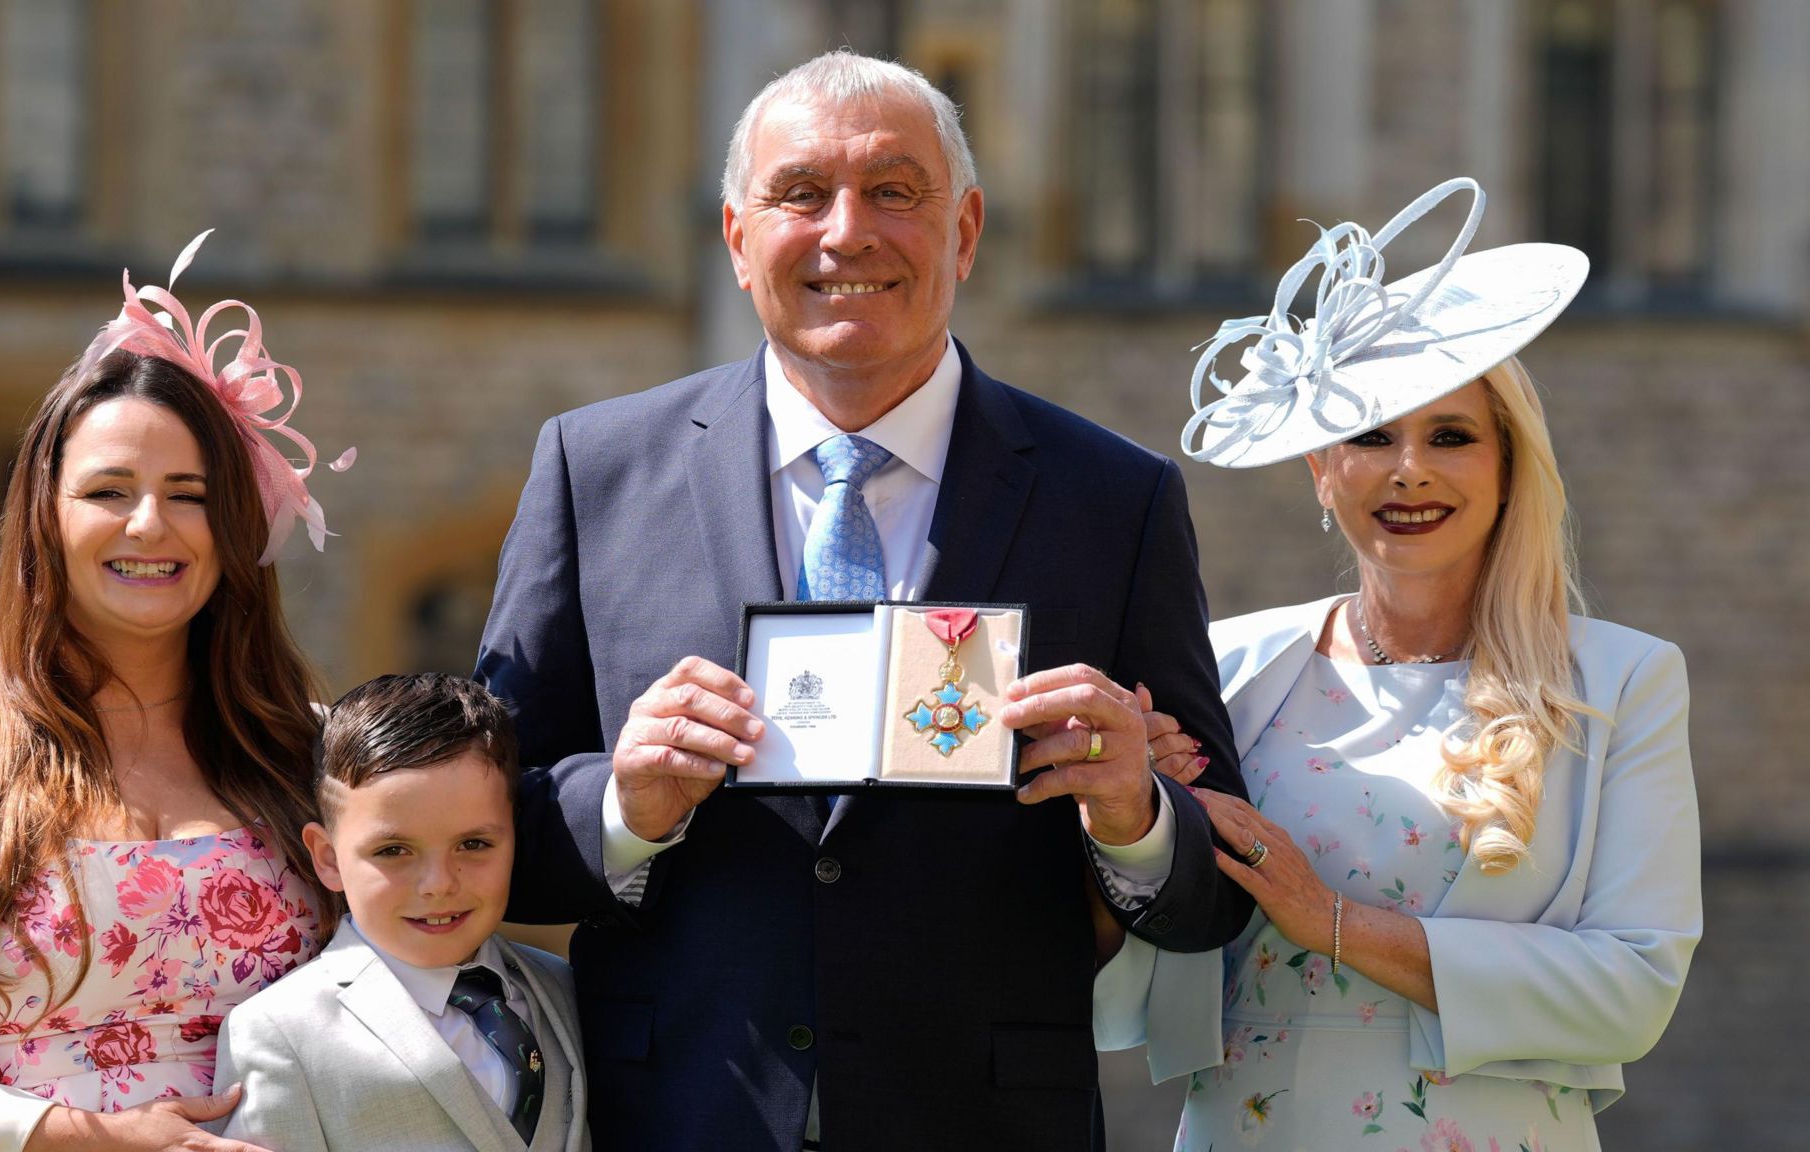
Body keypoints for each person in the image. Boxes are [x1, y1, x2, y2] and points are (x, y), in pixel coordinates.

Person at [476, 50, 1252, 1151]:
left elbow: (1214, 890)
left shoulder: (1112, 499)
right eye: (800, 194)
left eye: (894, 191)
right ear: (738, 238)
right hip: (676, 1115)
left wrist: (1129, 816)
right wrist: (621, 809)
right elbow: (471, 824)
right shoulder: (593, 471)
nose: (847, 232)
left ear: (965, 231)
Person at [1114, 178, 1700, 1151]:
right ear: (1319, 469)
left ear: (1508, 466)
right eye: (1369, 436)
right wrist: (1128, 821)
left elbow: (1632, 991)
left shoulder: (1622, 681)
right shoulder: (1227, 665)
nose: (1406, 469)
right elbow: (1138, 961)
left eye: (1450, 437)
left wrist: (1329, 919)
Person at [0, 233, 355, 1152]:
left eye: (190, 492)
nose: (151, 524)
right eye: (108, 491)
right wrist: (90, 1133)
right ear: (44, 519)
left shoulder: (316, 752)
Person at [211, 673, 588, 1152]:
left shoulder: (560, 984)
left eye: (474, 844)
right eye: (393, 851)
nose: (439, 884)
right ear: (328, 858)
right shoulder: (279, 1032)